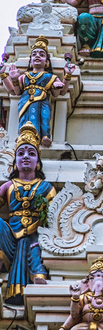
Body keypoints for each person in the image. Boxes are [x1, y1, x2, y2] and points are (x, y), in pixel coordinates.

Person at [0, 125, 56, 305]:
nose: (25, 156)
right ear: (15, 162)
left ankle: (38, 273)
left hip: (35, 233)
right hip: (11, 235)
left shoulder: (46, 188)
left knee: (39, 241)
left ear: (38, 162)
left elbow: (53, 217)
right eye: (21, 153)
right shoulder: (8, 187)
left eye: (31, 153)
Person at [0, 36, 75, 147]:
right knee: (26, 118)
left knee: (44, 118)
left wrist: (66, 76)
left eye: (42, 54)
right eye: (34, 54)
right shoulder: (25, 76)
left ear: (47, 61)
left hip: (43, 101)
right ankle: (23, 134)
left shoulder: (50, 77)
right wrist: (8, 77)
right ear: (30, 61)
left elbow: (60, 93)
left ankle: (45, 136)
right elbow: (14, 91)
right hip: (25, 100)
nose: (37, 56)